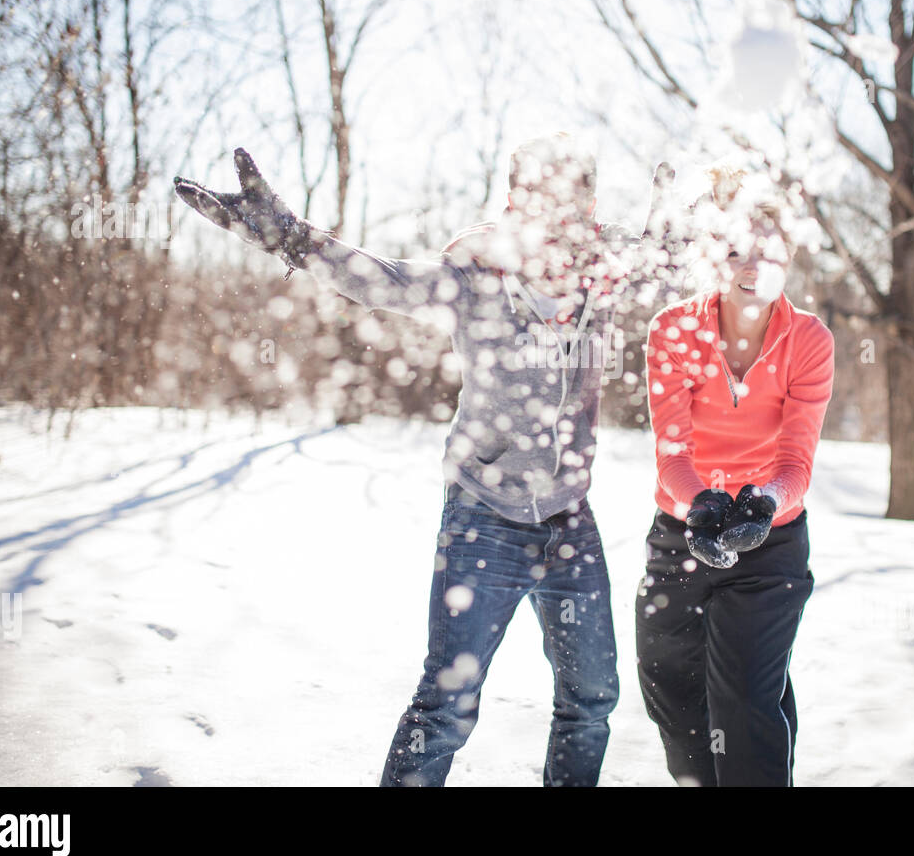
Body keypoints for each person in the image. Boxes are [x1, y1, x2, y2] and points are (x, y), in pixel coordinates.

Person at [173, 134, 635, 786]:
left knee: (591, 703)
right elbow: (379, 280)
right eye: (544, 198)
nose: (559, 218)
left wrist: (697, 211)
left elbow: (677, 257)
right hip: (487, 519)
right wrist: (289, 237)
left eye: (573, 201)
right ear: (517, 202)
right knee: (447, 709)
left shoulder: (602, 276)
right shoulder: (476, 278)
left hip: (569, 522)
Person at [636, 167, 835, 787]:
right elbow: (674, 453)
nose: (751, 267)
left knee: (746, 696)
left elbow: (795, 465)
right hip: (682, 533)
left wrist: (762, 504)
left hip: (769, 539)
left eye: (768, 252)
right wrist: (700, 505)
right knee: (672, 688)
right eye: (734, 251)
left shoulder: (809, 340)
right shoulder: (674, 331)